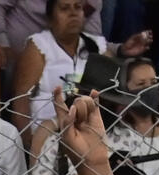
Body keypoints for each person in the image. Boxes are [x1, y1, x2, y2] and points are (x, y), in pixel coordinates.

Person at [11, 0, 108, 157]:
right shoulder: (39, 45)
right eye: (64, 8)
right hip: (48, 135)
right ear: (50, 18)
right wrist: (29, 142)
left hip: (91, 132)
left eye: (78, 7)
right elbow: (21, 98)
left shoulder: (97, 45)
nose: (73, 13)